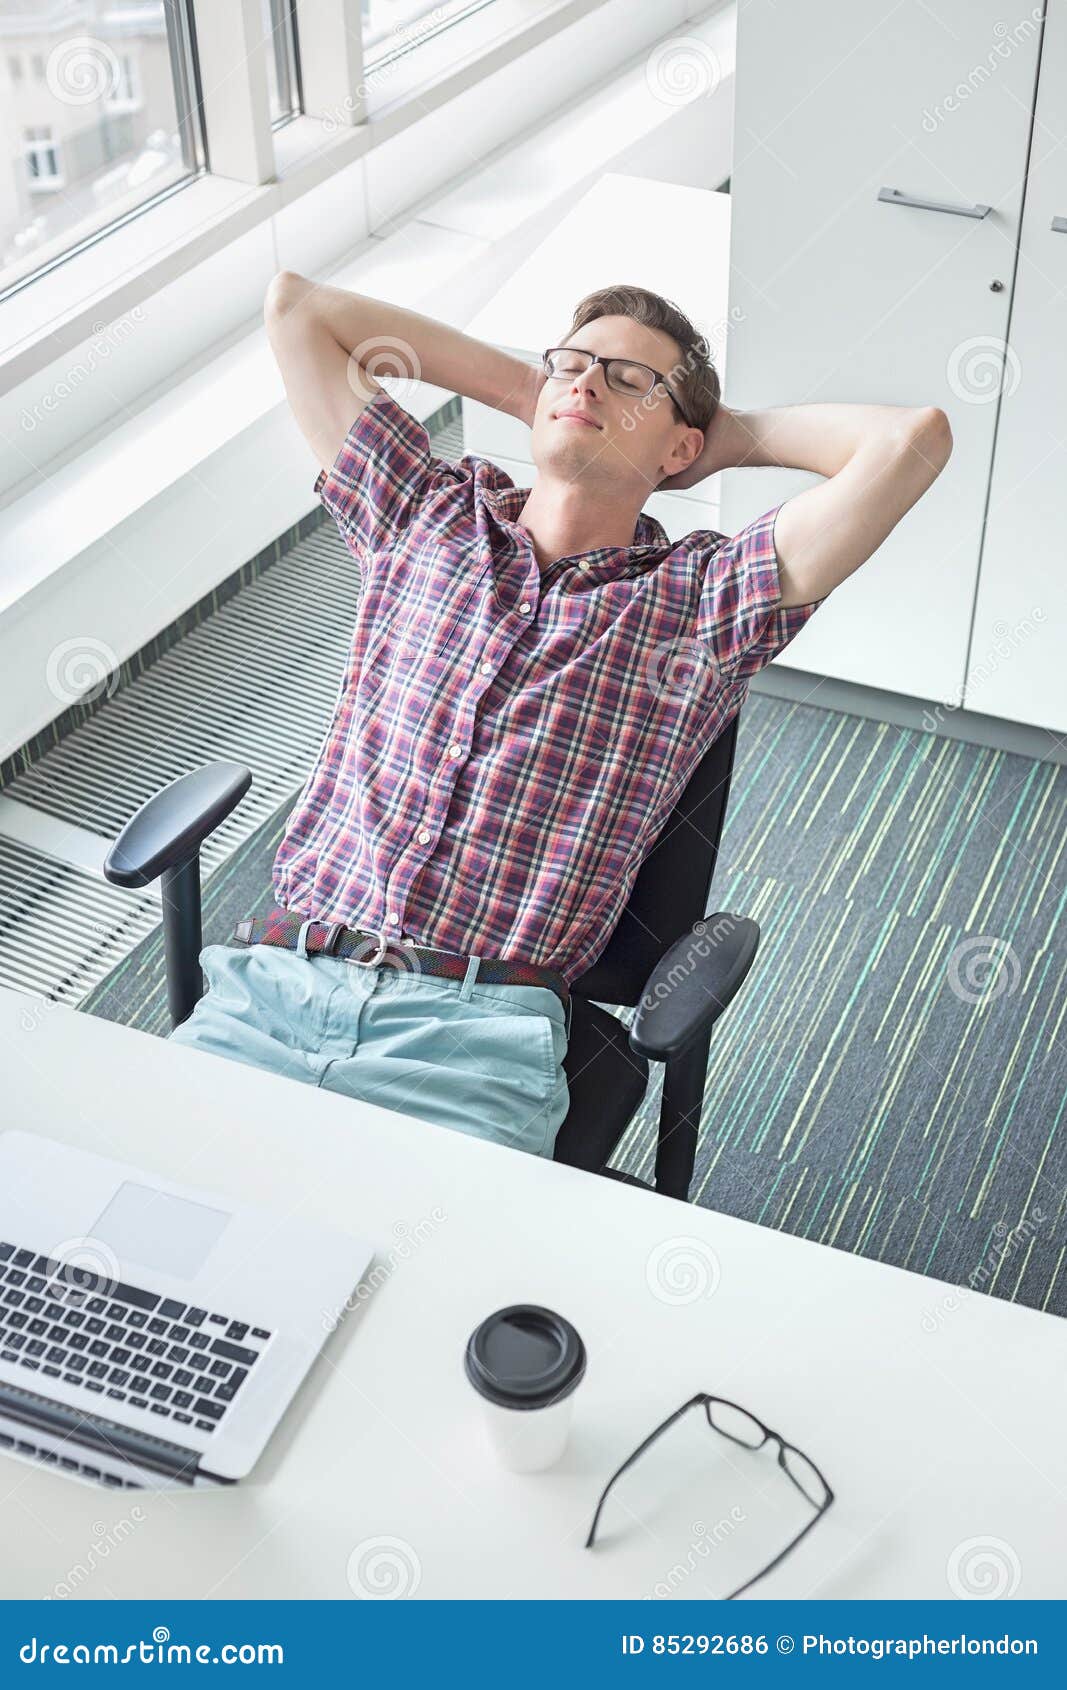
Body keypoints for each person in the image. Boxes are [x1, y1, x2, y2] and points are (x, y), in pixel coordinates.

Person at [169, 273, 952, 1163]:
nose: (585, 384)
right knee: (128, 1249)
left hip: (471, 1040)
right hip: (272, 983)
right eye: (570, 366)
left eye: (627, 380)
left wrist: (726, 439)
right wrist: (541, 394)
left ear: (679, 450)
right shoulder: (422, 514)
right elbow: (300, 311)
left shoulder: (700, 603)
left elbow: (910, 440)